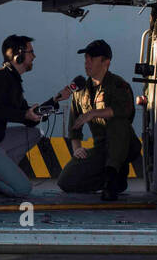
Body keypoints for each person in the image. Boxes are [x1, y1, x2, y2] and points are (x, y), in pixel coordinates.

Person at [0, 34, 70, 199]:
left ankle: (1, 171)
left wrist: (56, 100)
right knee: (23, 189)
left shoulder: (13, 80)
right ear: (18, 55)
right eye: (31, 52)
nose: (34, 56)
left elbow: (27, 119)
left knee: (34, 133)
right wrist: (24, 114)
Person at [57, 39, 141, 201]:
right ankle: (115, 179)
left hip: (124, 145)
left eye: (92, 59)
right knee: (66, 181)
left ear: (106, 62)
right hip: (102, 149)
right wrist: (77, 148)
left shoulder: (118, 85)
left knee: (117, 121)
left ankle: (112, 177)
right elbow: (74, 126)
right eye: (86, 59)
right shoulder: (80, 90)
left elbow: (125, 110)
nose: (87, 63)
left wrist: (93, 113)